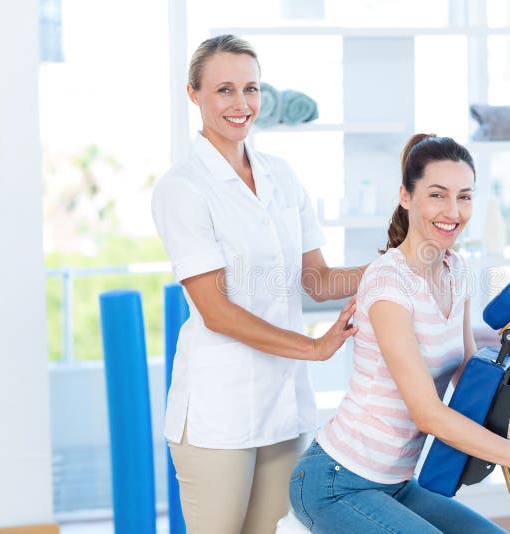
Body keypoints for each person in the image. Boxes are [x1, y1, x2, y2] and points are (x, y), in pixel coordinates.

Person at [288, 134, 510, 533]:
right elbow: (429, 414)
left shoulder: (457, 271)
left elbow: (476, 390)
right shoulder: (388, 285)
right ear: (405, 196)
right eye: (437, 195)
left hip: (395, 485)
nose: (453, 211)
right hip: (336, 483)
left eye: (464, 196)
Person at [151, 34, 366, 534]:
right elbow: (216, 310)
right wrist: (313, 349)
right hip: (218, 410)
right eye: (224, 89)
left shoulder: (281, 176)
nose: (241, 103)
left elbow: (317, 279)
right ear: (194, 94)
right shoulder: (183, 189)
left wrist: (398, 264)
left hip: (284, 406)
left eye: (251, 89)